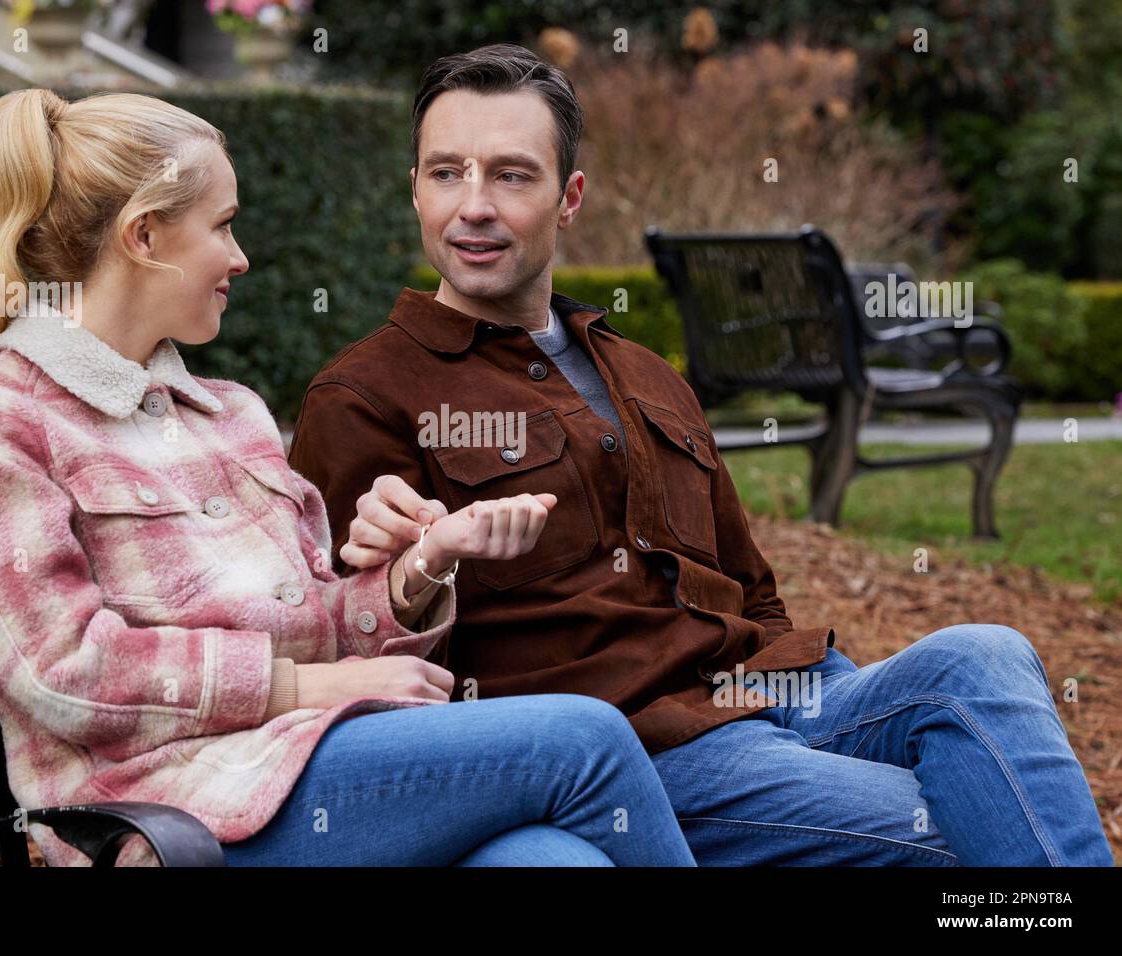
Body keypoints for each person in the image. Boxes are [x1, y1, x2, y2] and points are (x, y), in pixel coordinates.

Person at [287, 44, 1114, 866]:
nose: (473, 206)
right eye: (445, 173)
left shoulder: (644, 372)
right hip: (647, 744)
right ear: (415, 189)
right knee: (953, 828)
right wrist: (421, 566)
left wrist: (808, 722)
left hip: (786, 692)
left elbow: (755, 589)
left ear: (568, 197)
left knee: (987, 656)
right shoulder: (366, 396)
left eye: (511, 175)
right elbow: (357, 666)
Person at [0, 88, 696, 868]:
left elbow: (312, 626)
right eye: (222, 225)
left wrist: (423, 564)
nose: (240, 257)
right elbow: (64, 674)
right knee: (582, 738)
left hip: (309, 769)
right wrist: (299, 691)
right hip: (167, 817)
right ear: (144, 236)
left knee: (548, 860)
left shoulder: (232, 416)